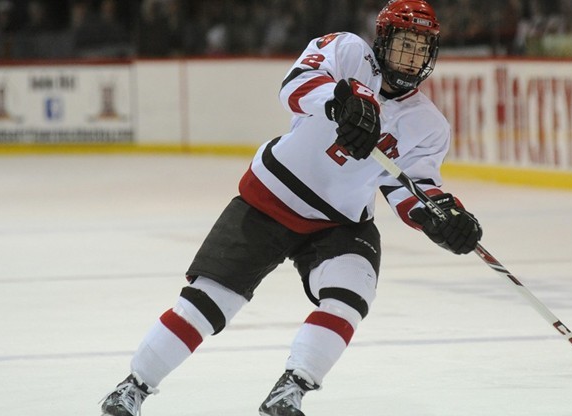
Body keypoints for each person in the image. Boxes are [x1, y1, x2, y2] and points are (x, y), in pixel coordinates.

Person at [100, 1, 483, 415]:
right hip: (273, 196)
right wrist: (341, 99)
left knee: (350, 297)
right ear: (383, 41)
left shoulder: (428, 125)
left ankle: (290, 391)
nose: (411, 57)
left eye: (421, 48)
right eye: (404, 44)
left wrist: (441, 216)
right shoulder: (349, 51)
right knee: (208, 303)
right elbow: (295, 84)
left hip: (341, 222)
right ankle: (133, 388)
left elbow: (409, 188)